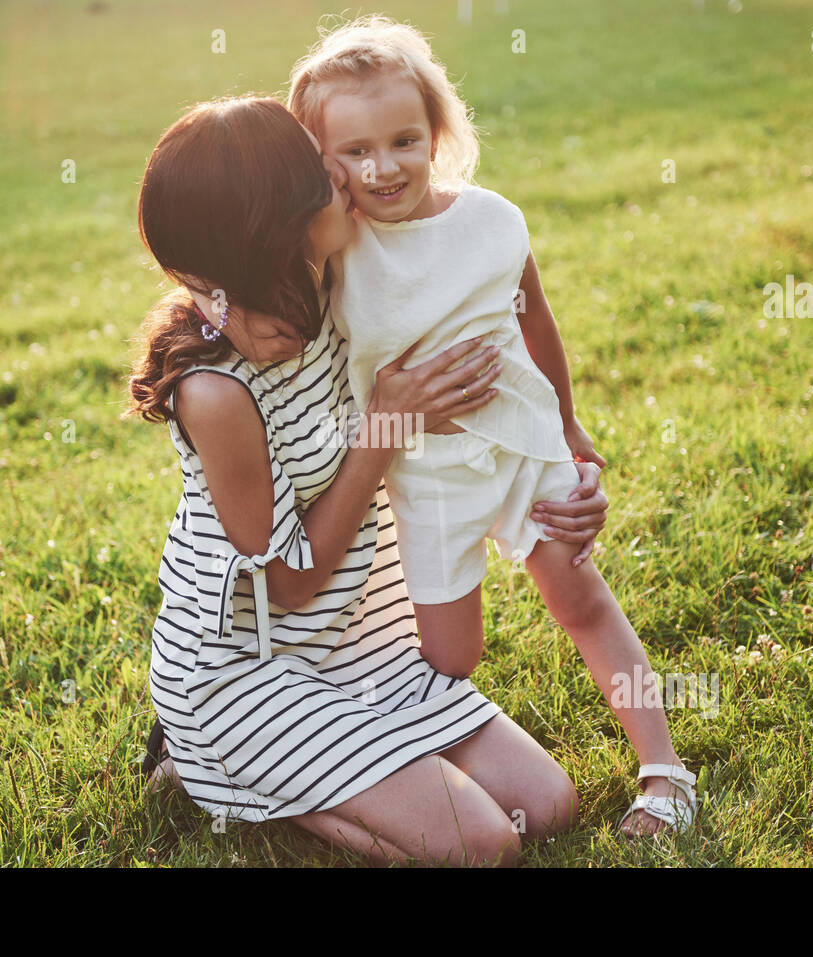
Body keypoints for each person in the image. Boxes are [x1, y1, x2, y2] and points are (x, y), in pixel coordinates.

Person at [124, 96, 611, 865]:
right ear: (273, 232)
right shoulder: (218, 390)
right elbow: (286, 581)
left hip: (359, 640)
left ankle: (338, 767)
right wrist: (384, 424)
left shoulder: (335, 280)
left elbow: (485, 340)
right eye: (321, 180)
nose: (347, 181)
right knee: (483, 844)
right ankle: (211, 769)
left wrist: (563, 473)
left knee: (547, 804)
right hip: (247, 671)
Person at [287, 15, 697, 835]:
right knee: (450, 657)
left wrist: (572, 430)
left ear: (438, 131)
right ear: (321, 161)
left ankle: (665, 772)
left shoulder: (492, 222)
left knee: (579, 598)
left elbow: (536, 319)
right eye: (355, 151)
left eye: (404, 139)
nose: (383, 166)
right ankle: (400, 756)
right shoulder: (333, 248)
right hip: (424, 474)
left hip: (517, 443)